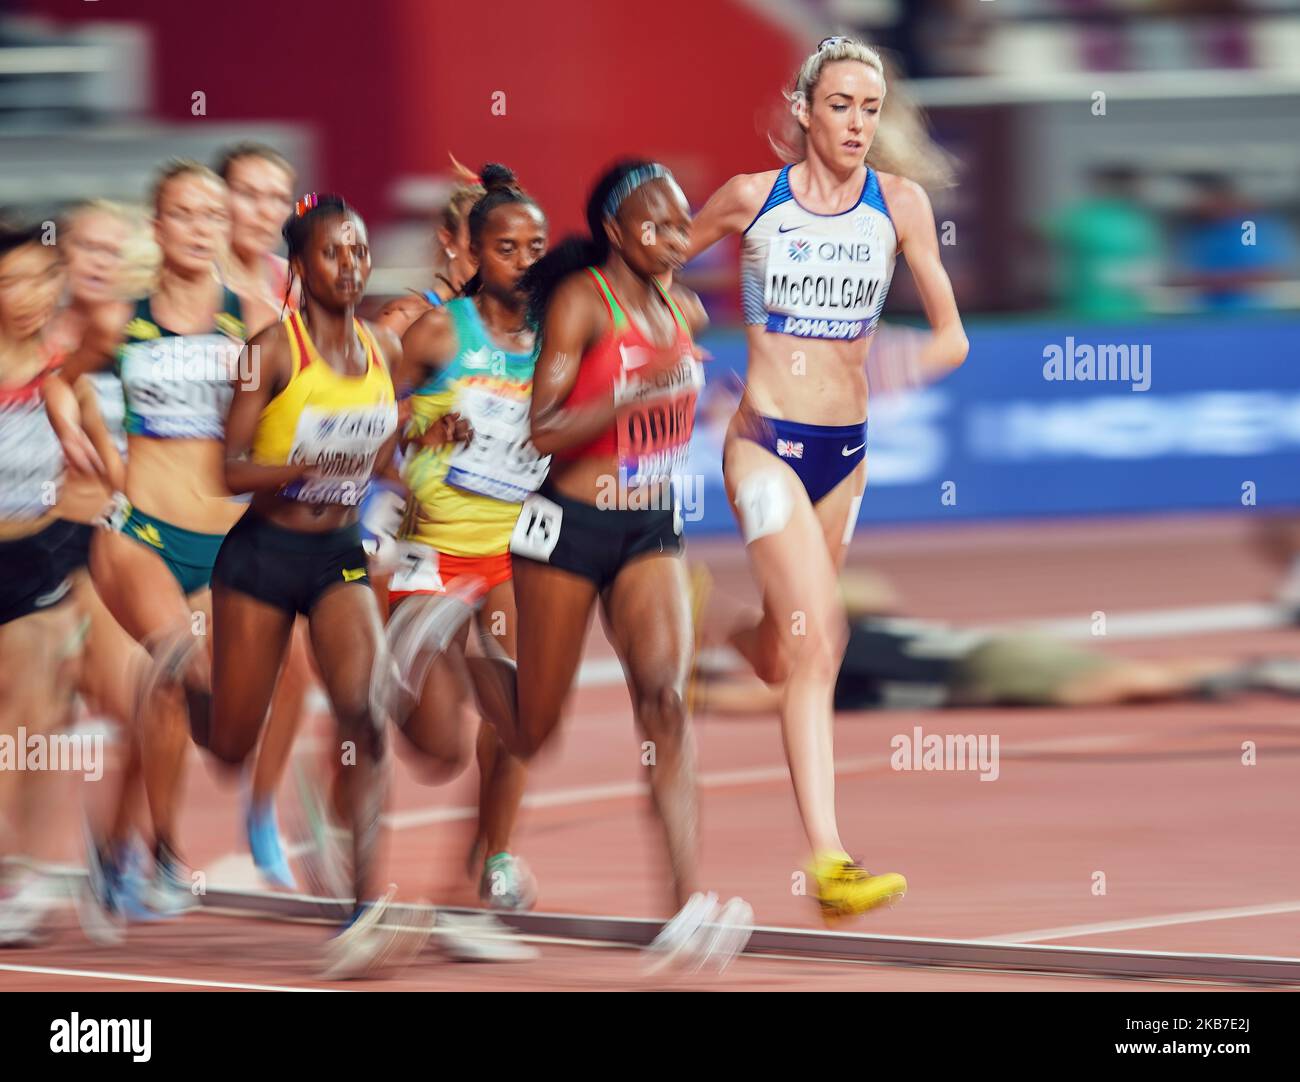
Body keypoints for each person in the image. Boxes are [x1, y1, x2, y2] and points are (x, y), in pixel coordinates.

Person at [686, 36, 967, 923]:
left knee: (781, 652)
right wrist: (678, 349)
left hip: (845, 456)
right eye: (840, 105)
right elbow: (651, 273)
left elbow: (953, 338)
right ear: (805, 109)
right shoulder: (751, 199)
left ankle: (701, 619)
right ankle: (830, 862)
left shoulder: (901, 204)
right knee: (822, 643)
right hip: (763, 444)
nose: (856, 123)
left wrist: (908, 364)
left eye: (870, 109)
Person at [504, 159, 751, 969]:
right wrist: (633, 391)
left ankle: (686, 905)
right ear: (615, 231)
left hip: (649, 528)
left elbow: (677, 403)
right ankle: (457, 651)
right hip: (567, 528)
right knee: (535, 728)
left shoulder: (683, 307)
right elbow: (543, 428)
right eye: (656, 225)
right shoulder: (583, 303)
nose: (676, 239)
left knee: (667, 701)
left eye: (682, 224)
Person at [204, 192, 421, 979]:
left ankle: (363, 907)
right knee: (229, 744)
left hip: (336, 554)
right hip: (261, 557)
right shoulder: (269, 350)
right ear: (300, 264)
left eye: (359, 250)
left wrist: (411, 464)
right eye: (334, 251)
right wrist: (296, 467)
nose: (351, 265)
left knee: (366, 711)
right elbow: (229, 470)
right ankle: (180, 687)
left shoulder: (382, 349)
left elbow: (380, 450)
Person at [54, 160, 278, 914]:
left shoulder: (253, 318)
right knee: (179, 666)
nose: (200, 226)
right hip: (140, 533)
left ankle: (120, 846)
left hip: (224, 546)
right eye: (183, 213)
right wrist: (76, 430)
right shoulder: (122, 320)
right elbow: (60, 377)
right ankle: (168, 857)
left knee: (182, 708)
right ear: (157, 226)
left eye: (212, 214)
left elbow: (289, 408)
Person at [389, 163, 546, 910]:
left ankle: (494, 859)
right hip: (431, 552)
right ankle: (388, 685)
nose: (524, 262)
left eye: (535, 248)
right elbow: (369, 424)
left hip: (510, 555)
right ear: (475, 254)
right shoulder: (435, 331)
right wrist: (421, 431)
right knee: (439, 751)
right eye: (507, 249)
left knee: (520, 714)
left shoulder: (555, 334)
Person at [0, 222, 87, 944]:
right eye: (10, 283)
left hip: (35, 558)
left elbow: (97, 471)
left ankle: (18, 873)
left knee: (33, 722)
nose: (29, 296)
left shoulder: (65, 368)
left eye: (40, 279)